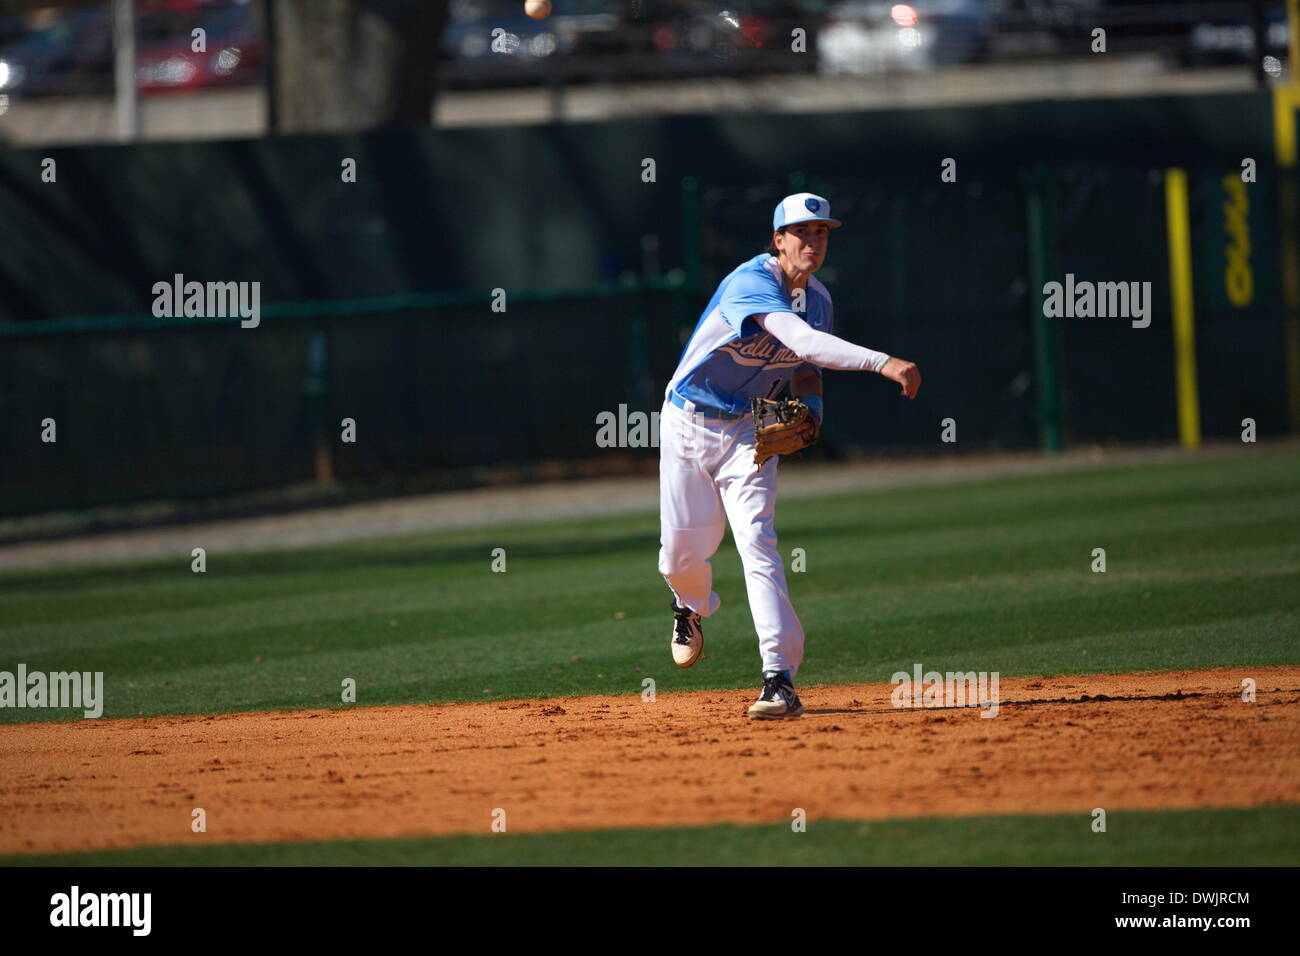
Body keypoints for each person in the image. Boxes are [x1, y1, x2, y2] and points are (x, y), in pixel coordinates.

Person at [657, 192, 922, 719]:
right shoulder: (749, 282)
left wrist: (815, 406)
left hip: (748, 436)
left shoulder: (819, 299)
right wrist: (884, 362)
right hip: (687, 422)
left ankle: (779, 679)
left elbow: (805, 368)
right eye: (802, 232)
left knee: (759, 544)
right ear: (778, 240)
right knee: (682, 555)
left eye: (822, 232)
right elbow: (802, 342)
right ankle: (689, 606)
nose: (813, 241)